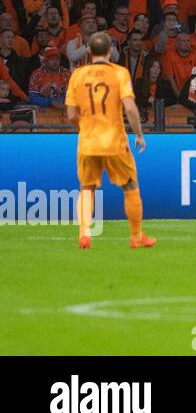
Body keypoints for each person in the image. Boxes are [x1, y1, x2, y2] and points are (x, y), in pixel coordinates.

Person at [67, 31, 150, 250]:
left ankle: (84, 233)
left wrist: (83, 128)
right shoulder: (120, 73)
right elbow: (130, 108)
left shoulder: (77, 75)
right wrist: (139, 134)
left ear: (89, 51)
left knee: (87, 187)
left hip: (87, 141)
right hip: (114, 141)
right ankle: (136, 236)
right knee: (129, 185)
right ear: (111, 51)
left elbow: (71, 114)